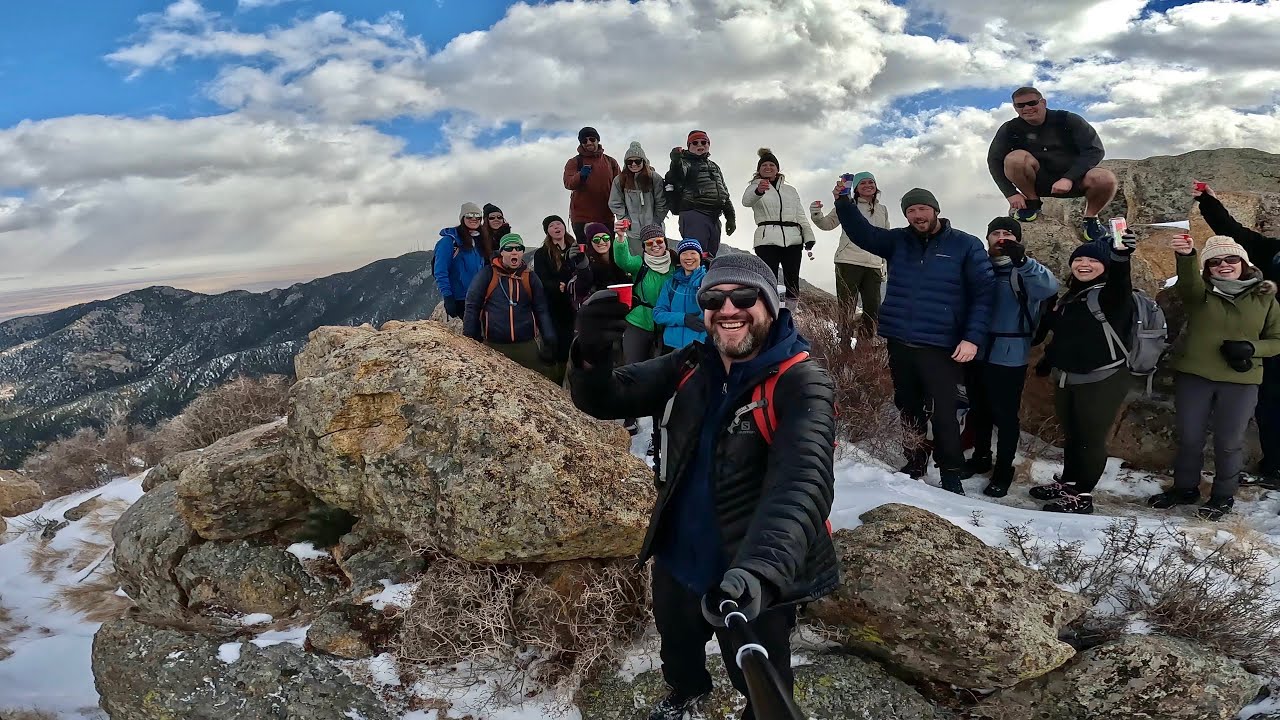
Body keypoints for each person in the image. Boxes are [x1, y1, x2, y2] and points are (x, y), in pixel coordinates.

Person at [567, 252, 838, 720]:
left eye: (744, 296)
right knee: (678, 648)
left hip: (750, 569)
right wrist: (589, 353)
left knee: (762, 682)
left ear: (771, 305)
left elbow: (802, 484)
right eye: (714, 297)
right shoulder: (692, 364)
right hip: (677, 558)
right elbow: (607, 397)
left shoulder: (800, 381)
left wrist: (760, 574)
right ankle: (686, 693)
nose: (728, 308)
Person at [833, 184, 995, 494]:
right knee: (908, 406)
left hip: (941, 345)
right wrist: (843, 203)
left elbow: (984, 293)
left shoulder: (966, 245)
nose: (917, 215)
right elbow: (863, 234)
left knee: (945, 412)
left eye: (922, 209)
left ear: (935, 210)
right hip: (900, 341)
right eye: (910, 210)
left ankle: (950, 473)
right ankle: (916, 462)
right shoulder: (898, 242)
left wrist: (972, 338)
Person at [1147, 234, 1280, 520]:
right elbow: (1188, 283)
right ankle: (1185, 488)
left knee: (1229, 441)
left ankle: (1222, 496)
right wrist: (1186, 255)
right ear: (1207, 268)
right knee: (1190, 437)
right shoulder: (1200, 293)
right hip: (1196, 375)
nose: (1224, 265)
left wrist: (1252, 348)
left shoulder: (1264, 296)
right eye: (1215, 262)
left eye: (1231, 259)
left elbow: (1278, 340)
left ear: (1243, 262)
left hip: (1241, 381)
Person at [1029, 232, 1138, 514]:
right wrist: (1049, 360)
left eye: (1093, 260)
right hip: (1068, 377)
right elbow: (1065, 334)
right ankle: (1068, 483)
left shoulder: (1112, 295)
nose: (1084, 264)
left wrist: (1121, 256)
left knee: (1090, 438)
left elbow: (1121, 282)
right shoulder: (1073, 295)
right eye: (1079, 259)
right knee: (1073, 435)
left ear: (1105, 266)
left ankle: (1083, 496)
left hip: (1102, 378)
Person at [1193, 184, 1280, 487]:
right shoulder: (1273, 251)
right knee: (1270, 404)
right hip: (1269, 341)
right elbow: (1232, 232)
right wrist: (1208, 202)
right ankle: (1275, 466)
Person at [965, 218, 1059, 497]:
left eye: (1008, 234)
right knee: (978, 409)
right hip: (977, 349)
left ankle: (1004, 470)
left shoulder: (1025, 270)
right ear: (988, 238)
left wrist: (1023, 262)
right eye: (996, 233)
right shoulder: (978, 267)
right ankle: (981, 458)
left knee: (1005, 416)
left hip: (1010, 352)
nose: (1002, 238)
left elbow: (1048, 288)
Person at [987, 86, 1117, 242]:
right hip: (1037, 182)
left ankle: (1091, 219)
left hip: (1075, 180)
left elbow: (1095, 150)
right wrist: (1010, 193)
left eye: (1032, 103)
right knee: (1015, 158)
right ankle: (1032, 203)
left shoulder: (1068, 120)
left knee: (1105, 178)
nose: (1027, 108)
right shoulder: (1010, 128)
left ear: (1043, 102)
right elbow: (994, 160)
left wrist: (1069, 178)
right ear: (1015, 108)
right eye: (1020, 105)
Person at [463, 233, 559, 383]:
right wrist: (470, 339)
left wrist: (549, 340)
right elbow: (472, 306)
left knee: (535, 387)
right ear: (501, 252)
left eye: (518, 248)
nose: (514, 251)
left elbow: (541, 310)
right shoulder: (487, 274)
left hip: (526, 345)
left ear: (522, 252)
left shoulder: (530, 277)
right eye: (509, 248)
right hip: (495, 345)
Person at [614, 223, 677, 439]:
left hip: (666, 324)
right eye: (650, 243)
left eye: (659, 241)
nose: (655, 246)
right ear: (644, 247)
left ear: (665, 243)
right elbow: (622, 260)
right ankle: (629, 415)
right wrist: (620, 237)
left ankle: (661, 417)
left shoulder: (675, 265)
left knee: (663, 371)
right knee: (631, 367)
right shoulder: (640, 264)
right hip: (639, 321)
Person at [812, 171, 887, 342]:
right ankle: (843, 346)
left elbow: (886, 237)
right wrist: (816, 212)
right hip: (848, 261)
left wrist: (884, 265)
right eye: (863, 183)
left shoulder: (882, 210)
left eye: (871, 182)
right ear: (856, 188)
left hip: (874, 265)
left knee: (872, 309)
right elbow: (826, 224)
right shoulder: (847, 205)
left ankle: (864, 347)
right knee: (847, 306)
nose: (868, 186)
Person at [742, 148, 815, 312]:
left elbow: (800, 214)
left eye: (771, 165)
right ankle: (769, 311)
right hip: (766, 238)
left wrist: (808, 235)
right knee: (768, 277)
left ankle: (790, 314)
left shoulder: (791, 190)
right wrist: (759, 190)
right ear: (759, 170)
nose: (768, 168)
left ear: (777, 168)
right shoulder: (754, 187)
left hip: (793, 238)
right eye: (764, 165)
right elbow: (746, 201)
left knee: (792, 278)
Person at [665, 130, 735, 257]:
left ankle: (707, 277)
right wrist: (675, 161)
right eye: (695, 143)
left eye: (704, 142)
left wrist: (730, 217)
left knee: (710, 256)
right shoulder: (685, 163)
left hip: (714, 217)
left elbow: (724, 192)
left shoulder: (714, 166)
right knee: (696, 255)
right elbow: (677, 174)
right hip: (694, 214)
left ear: (708, 144)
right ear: (689, 146)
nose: (700, 145)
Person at [532, 215, 576, 381]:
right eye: (552, 225)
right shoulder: (542, 253)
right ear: (547, 231)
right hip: (551, 305)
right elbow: (541, 278)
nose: (557, 227)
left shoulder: (575, 247)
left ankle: (561, 378)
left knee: (566, 345)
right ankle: (551, 380)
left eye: (559, 223)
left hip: (571, 305)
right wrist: (557, 285)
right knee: (551, 343)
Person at [563, 126, 621, 243]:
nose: (588, 142)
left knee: (607, 253)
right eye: (584, 141)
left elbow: (621, 186)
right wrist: (581, 175)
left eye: (592, 139)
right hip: (581, 218)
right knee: (585, 254)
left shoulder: (611, 162)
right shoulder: (574, 162)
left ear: (598, 140)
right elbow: (568, 183)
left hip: (606, 216)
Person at [609, 141, 668, 255]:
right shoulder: (619, 180)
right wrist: (626, 220)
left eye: (638, 161)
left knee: (657, 259)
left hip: (654, 230)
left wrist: (656, 222)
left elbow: (662, 202)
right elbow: (615, 203)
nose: (634, 164)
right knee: (638, 263)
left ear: (644, 161)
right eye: (629, 161)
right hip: (633, 232)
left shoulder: (654, 178)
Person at [652, 238, 709, 352]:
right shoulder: (671, 283)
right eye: (684, 253)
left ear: (700, 256)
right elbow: (658, 314)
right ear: (679, 257)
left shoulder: (708, 282)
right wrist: (683, 318)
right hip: (670, 347)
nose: (688, 257)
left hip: (700, 346)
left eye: (693, 253)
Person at [432, 202, 486, 320]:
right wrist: (448, 297)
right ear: (462, 218)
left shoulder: (478, 240)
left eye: (478, 216)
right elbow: (440, 271)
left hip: (479, 297)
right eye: (469, 215)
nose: (474, 218)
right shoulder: (449, 241)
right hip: (460, 299)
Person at [568, 222, 632, 309]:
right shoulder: (588, 263)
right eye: (596, 240)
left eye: (605, 238)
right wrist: (582, 267)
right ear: (590, 243)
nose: (602, 242)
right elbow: (582, 288)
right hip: (599, 308)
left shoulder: (619, 258)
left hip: (623, 304)